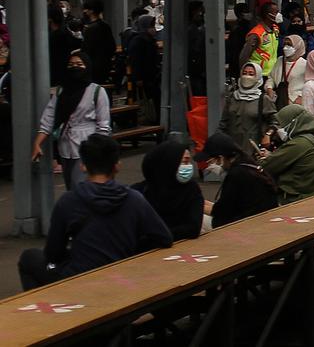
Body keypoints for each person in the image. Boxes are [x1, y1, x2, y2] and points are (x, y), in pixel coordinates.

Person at [18, 134, 172, 290]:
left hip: (80, 282)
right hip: (125, 282)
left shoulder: (69, 201)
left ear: (83, 165)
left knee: (29, 258)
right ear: (117, 165)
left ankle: (45, 307)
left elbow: (53, 254)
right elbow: (164, 238)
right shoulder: (134, 199)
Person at [32, 51, 112, 189]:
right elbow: (49, 118)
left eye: (79, 64)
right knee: (70, 186)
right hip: (65, 146)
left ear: (87, 66)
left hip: (87, 146)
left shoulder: (97, 91)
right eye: (71, 65)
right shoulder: (61, 91)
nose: (75, 67)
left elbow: (104, 125)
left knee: (79, 185)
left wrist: (96, 150)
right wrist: (37, 143)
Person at [195, 132, 278, 228]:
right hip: (262, 220)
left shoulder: (236, 174)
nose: (210, 165)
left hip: (245, 227)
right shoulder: (250, 166)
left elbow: (221, 213)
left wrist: (194, 206)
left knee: (195, 222)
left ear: (221, 158)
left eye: (211, 161)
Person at [260, 105, 314, 203]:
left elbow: (265, 167)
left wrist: (265, 157)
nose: (280, 129)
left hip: (301, 198)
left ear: (293, 124)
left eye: (282, 125)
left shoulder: (298, 144)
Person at [132, 140, 203, 241]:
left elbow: (193, 228)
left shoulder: (191, 189)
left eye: (189, 162)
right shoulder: (140, 192)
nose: (188, 166)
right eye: (184, 162)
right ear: (170, 163)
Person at [220, 62, 278, 152]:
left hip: (253, 148)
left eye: (251, 74)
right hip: (232, 148)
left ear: (258, 77)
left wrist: (268, 135)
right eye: (244, 73)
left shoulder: (263, 99)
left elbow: (275, 122)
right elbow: (223, 123)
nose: (247, 77)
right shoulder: (232, 97)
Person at [239, 1, 281, 98]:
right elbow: (244, 56)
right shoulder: (256, 34)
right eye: (275, 12)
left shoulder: (275, 29)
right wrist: (247, 76)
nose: (278, 14)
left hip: (273, 74)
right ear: (268, 15)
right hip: (259, 76)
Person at [81, 0, 116, 85]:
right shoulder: (105, 25)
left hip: (92, 67)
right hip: (105, 65)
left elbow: (86, 49)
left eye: (86, 9)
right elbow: (112, 46)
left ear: (91, 11)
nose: (84, 11)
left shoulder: (89, 29)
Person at [277, 34, 308, 107]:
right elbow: (271, 78)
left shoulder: (305, 64)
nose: (286, 47)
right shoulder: (280, 60)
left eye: (289, 44)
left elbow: (308, 84)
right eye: (284, 44)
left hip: (295, 102)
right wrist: (269, 87)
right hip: (279, 99)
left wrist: (301, 96)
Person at [226, 2, 253, 77]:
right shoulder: (239, 29)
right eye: (246, 11)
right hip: (239, 63)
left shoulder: (247, 26)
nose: (249, 14)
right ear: (240, 14)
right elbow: (235, 49)